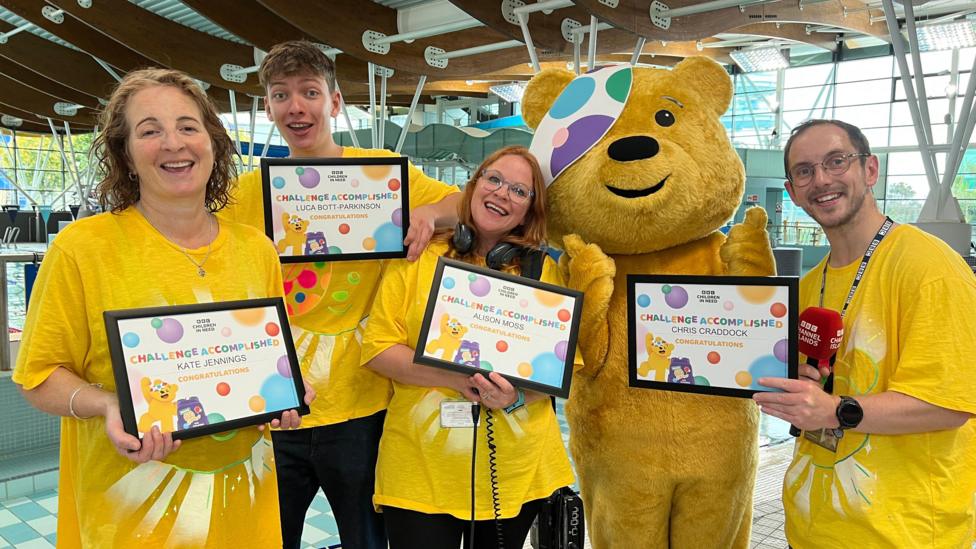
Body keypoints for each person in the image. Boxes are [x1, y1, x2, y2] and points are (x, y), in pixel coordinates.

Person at [13, 68, 313, 547]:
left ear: (213, 144)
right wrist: (109, 406)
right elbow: (37, 375)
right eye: (150, 130)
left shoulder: (256, 249)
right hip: (132, 511)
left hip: (245, 502)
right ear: (126, 154)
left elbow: (259, 355)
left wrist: (281, 392)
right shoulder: (83, 249)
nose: (174, 143)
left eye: (188, 127)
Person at [218, 40, 461, 549]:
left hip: (361, 402)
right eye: (281, 95)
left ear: (333, 102)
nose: (296, 106)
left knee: (367, 539)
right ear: (268, 108)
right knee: (265, 538)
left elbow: (462, 200)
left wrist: (428, 214)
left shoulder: (379, 174)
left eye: (309, 92)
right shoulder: (246, 192)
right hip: (276, 403)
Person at [753, 119, 976, 547]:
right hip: (813, 529)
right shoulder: (807, 285)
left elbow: (950, 405)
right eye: (805, 171)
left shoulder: (928, 269)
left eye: (837, 161)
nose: (821, 179)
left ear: (870, 170)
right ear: (794, 192)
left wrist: (835, 410)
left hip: (903, 533)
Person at [360, 146, 578, 549]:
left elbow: (559, 370)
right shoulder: (420, 256)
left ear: (531, 209)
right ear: (473, 185)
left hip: (516, 468)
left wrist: (513, 396)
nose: (501, 193)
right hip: (419, 468)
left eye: (519, 190)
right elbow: (376, 348)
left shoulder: (543, 272)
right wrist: (457, 379)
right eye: (493, 179)